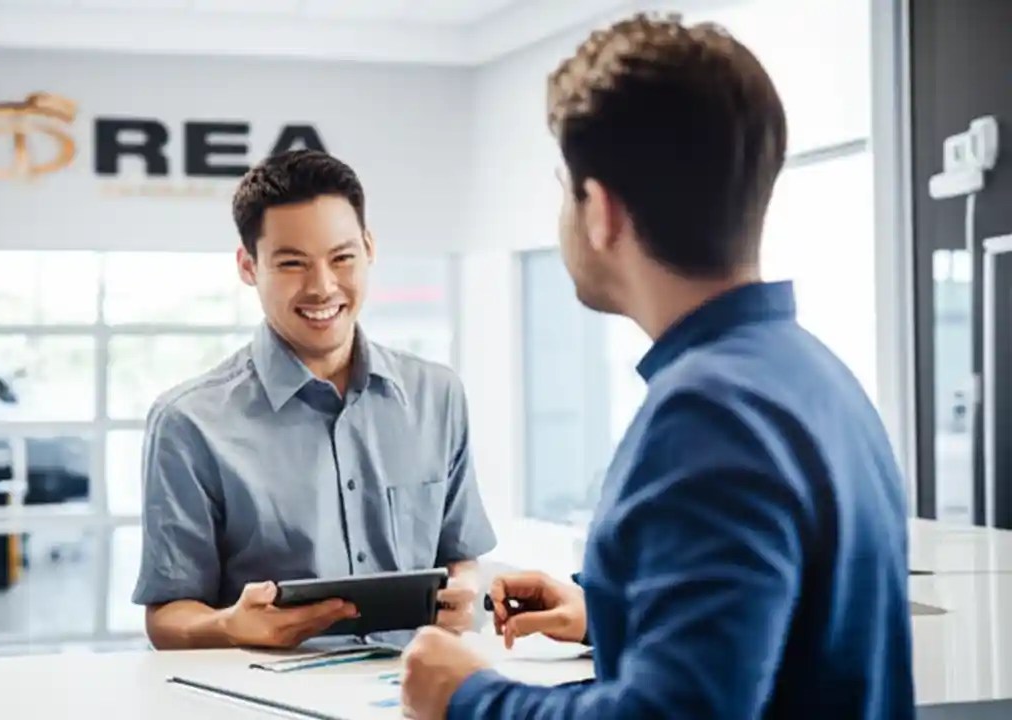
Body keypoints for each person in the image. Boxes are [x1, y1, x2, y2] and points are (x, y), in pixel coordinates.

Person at [400, 13, 915, 720]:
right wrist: (614, 613)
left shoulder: (709, 414)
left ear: (602, 212)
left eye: (564, 189)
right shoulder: (816, 378)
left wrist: (468, 696)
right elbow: (771, 650)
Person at [133, 149, 496, 650]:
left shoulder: (438, 395)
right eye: (292, 263)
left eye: (342, 258)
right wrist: (227, 625)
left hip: (415, 693)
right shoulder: (188, 422)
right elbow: (167, 616)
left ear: (369, 248)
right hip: (265, 699)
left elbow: (461, 556)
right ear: (248, 265)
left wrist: (464, 594)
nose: (323, 287)